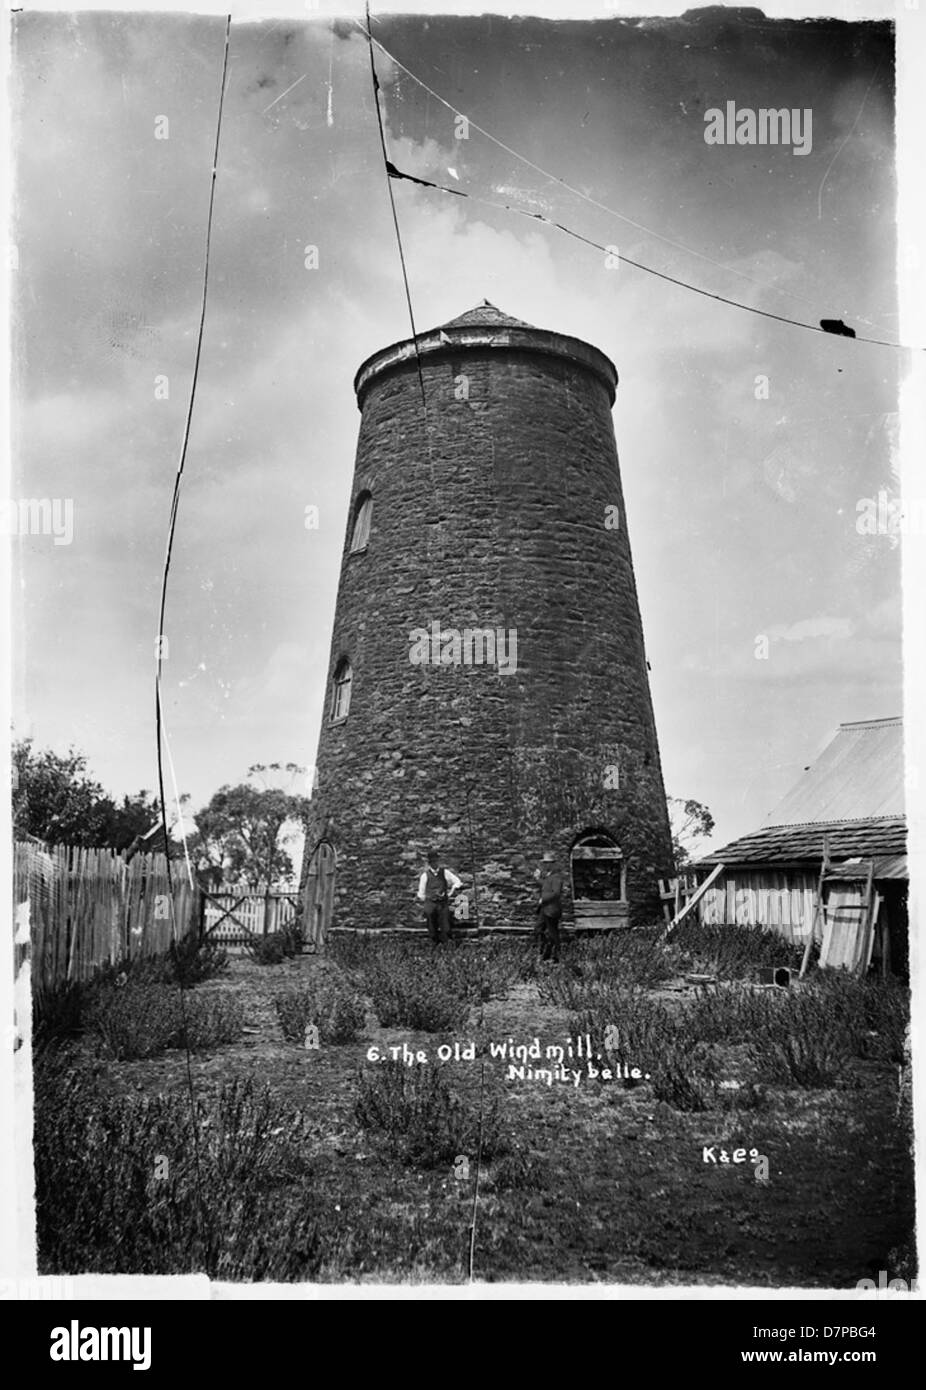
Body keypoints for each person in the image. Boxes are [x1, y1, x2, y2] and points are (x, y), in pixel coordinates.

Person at [417, 850, 462, 945]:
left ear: (438, 861)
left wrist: (450, 892)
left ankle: (446, 945)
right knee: (431, 925)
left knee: (445, 925)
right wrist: (429, 899)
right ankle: (434, 945)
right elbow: (421, 893)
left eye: (436, 861)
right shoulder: (425, 876)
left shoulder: (445, 872)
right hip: (431, 903)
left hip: (442, 903)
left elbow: (457, 881)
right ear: (429, 863)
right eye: (432, 861)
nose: (434, 863)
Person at [536, 851, 564, 963]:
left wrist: (543, 899)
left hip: (552, 909)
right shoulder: (549, 875)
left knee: (553, 933)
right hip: (544, 908)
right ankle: (544, 952)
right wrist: (537, 878)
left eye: (548, 863)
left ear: (553, 864)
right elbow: (546, 885)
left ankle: (555, 956)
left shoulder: (556, 876)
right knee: (538, 929)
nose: (546, 865)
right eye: (545, 863)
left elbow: (556, 893)